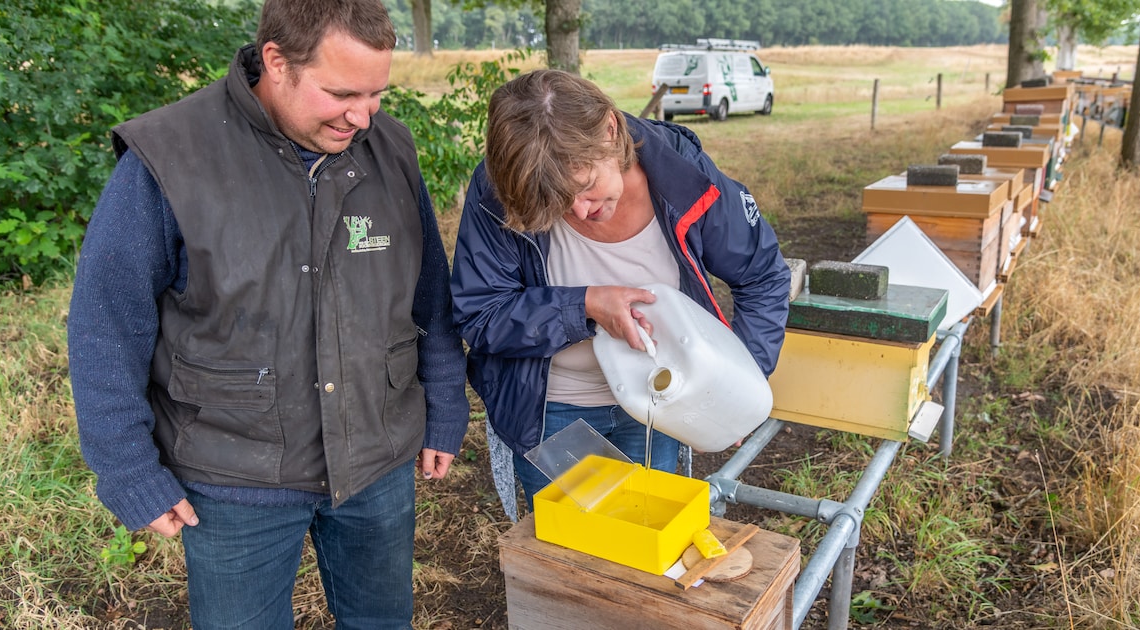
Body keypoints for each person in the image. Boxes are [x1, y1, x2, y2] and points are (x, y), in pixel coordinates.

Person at [66, 1, 469, 627]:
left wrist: (445, 408)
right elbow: (105, 328)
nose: (363, 117)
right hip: (231, 479)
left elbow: (429, 297)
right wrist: (127, 471)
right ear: (276, 61)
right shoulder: (170, 156)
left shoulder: (389, 146)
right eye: (341, 93)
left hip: (377, 460)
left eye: (377, 94)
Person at [450, 69, 791, 510]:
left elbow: (763, 275)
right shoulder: (503, 186)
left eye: (586, 186)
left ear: (611, 130)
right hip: (552, 409)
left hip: (660, 401)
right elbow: (481, 313)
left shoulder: (683, 176)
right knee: (570, 559)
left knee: (646, 543)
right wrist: (585, 304)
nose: (579, 211)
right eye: (554, 202)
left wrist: (737, 384)